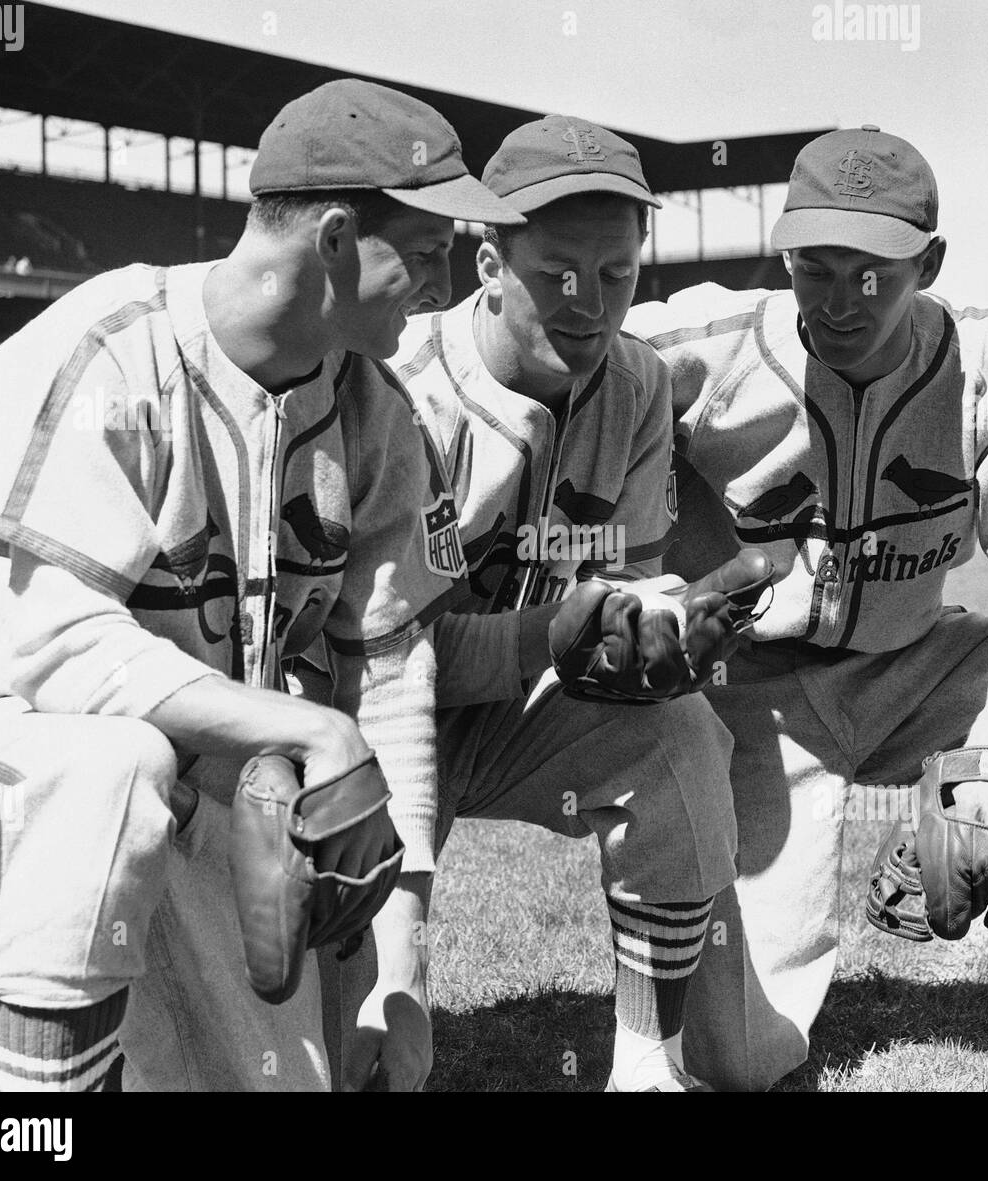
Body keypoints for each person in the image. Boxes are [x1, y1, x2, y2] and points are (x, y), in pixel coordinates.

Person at [0, 79, 523, 1092]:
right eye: (426, 253)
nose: (444, 282)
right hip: (26, 751)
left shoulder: (378, 413)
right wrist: (308, 730)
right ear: (335, 238)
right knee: (115, 764)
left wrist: (398, 947)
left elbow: (390, 669)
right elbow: (46, 643)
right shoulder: (107, 348)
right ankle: (3, 1081)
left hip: (233, 797)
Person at [626, 126, 988, 1092]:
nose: (840, 300)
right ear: (786, 255)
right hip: (763, 700)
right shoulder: (698, 349)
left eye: (873, 274)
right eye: (817, 266)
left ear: (929, 263)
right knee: (742, 1060)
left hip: (919, 666)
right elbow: (548, 362)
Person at [353, 116, 740, 1092]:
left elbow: (631, 574)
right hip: (370, 715)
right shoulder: (400, 391)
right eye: (558, 271)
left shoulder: (639, 384)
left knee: (682, 733)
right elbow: (385, 658)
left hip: (522, 703)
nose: (590, 303)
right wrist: (402, 932)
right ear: (488, 260)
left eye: (616, 274)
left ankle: (651, 1063)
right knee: (363, 1054)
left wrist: (660, 629)